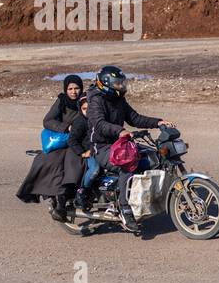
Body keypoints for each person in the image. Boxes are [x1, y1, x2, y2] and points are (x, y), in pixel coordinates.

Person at [87, 65, 172, 230]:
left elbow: (134, 118)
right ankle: (125, 208)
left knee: (154, 156)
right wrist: (120, 131)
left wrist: (158, 122)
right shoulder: (96, 100)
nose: (121, 86)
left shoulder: (118, 100)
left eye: (122, 83)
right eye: (118, 83)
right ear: (107, 83)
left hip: (120, 143)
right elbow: (99, 124)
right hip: (102, 147)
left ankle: (145, 198)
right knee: (128, 163)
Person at [16, 74, 87, 221]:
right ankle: (59, 202)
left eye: (77, 88)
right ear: (66, 90)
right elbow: (47, 121)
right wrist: (66, 127)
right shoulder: (61, 101)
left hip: (79, 142)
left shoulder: (86, 101)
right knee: (49, 162)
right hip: (63, 142)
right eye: (70, 89)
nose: (74, 92)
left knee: (77, 164)